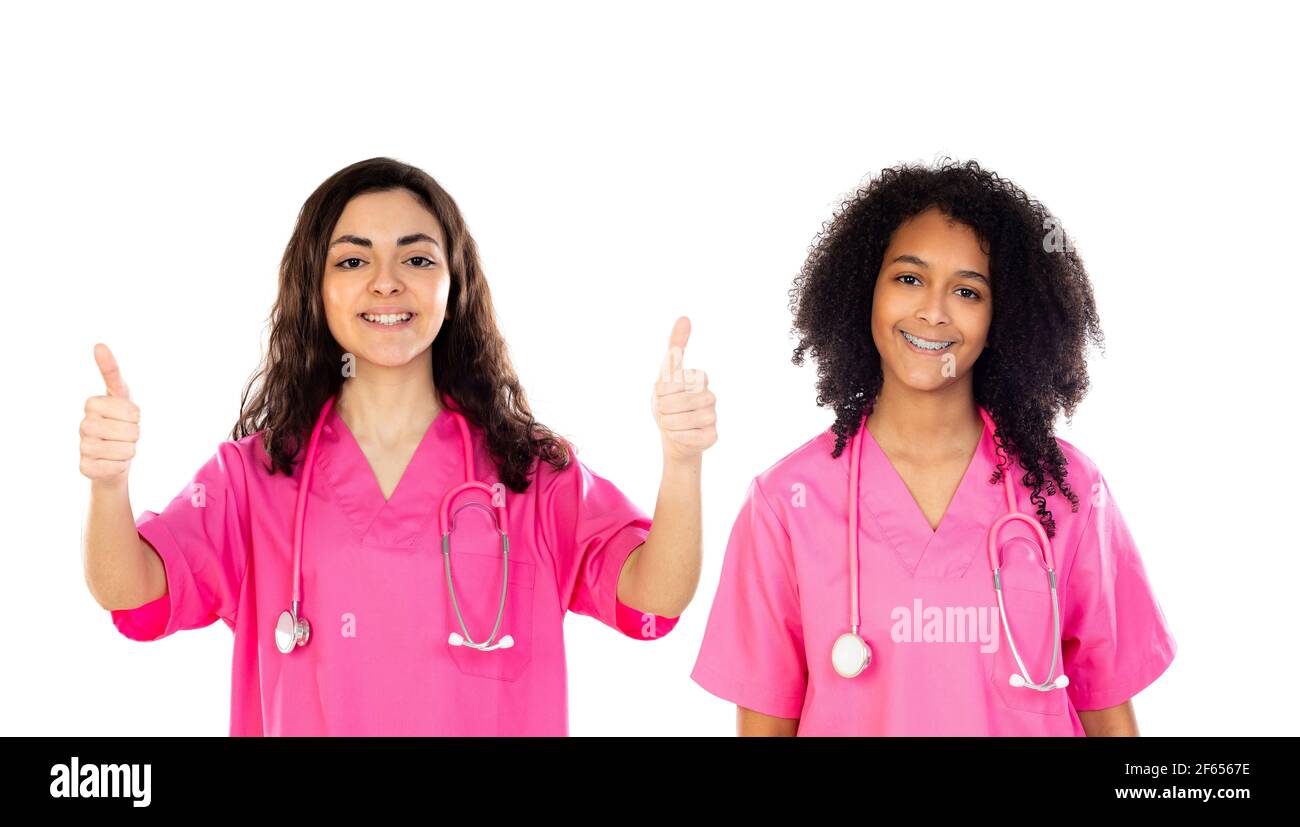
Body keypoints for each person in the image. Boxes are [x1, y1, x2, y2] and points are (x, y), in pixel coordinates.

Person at [80, 156, 717, 736]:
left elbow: (655, 597)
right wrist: (109, 485)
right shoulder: (253, 478)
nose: (386, 283)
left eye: (417, 259)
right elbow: (131, 592)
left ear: (454, 284)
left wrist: (682, 464)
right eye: (353, 261)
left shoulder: (530, 473)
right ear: (316, 288)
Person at [690, 159, 1175, 736]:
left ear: (1003, 317)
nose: (933, 311)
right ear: (863, 288)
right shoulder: (787, 504)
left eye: (967, 291)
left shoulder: (1068, 492)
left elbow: (1109, 716)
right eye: (909, 278)